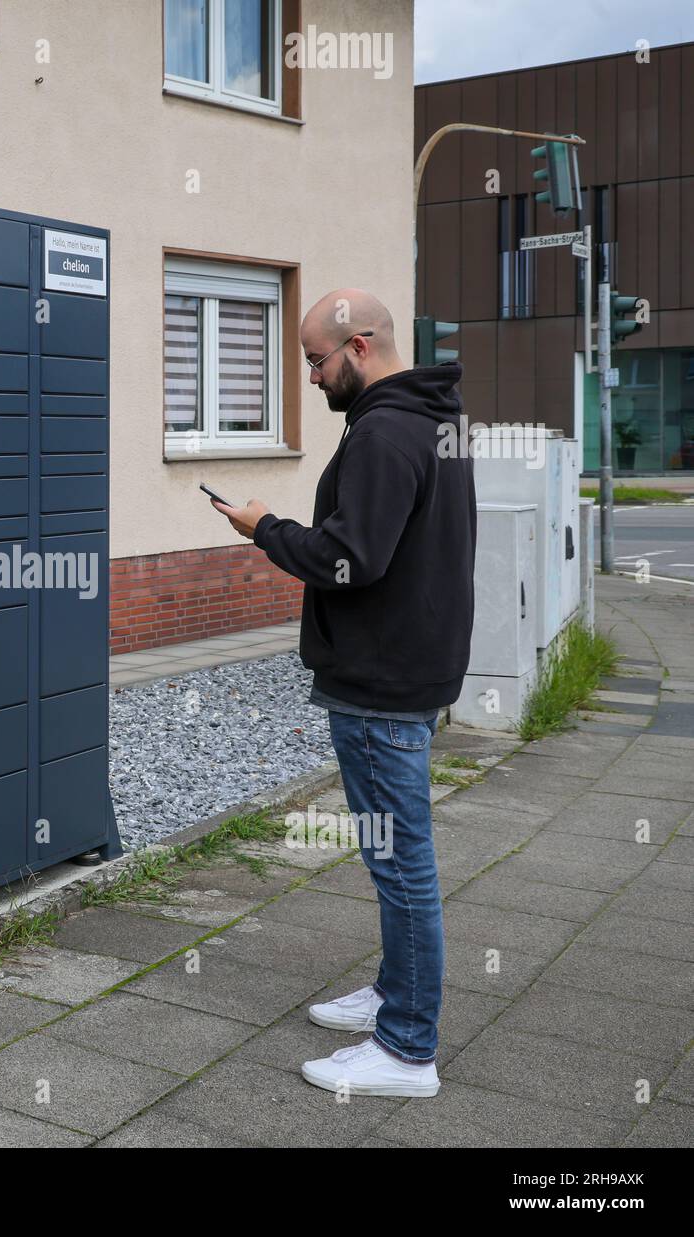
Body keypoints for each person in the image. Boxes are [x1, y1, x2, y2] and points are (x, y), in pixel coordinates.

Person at [211, 288, 476, 1098]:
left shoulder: (385, 434)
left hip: (381, 680)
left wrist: (264, 528)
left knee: (402, 866)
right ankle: (395, 999)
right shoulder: (436, 419)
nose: (313, 378)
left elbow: (348, 560)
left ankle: (406, 1050)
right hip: (409, 666)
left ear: (359, 346)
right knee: (395, 856)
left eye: (316, 362)